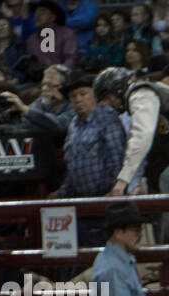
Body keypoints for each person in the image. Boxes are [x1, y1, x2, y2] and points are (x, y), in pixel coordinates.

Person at [94, 64, 169, 198]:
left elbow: (142, 136)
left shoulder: (141, 94)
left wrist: (123, 181)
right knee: (162, 176)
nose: (108, 104)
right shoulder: (146, 89)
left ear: (117, 89)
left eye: (107, 98)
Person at [50, 70, 125, 244]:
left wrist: (114, 190)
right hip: (81, 202)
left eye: (83, 94)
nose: (77, 99)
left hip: (106, 200)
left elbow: (117, 158)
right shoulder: (74, 124)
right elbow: (73, 165)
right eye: (73, 96)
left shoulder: (107, 118)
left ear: (95, 96)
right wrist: (61, 192)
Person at [27, 0, 80, 70]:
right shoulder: (31, 40)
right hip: (38, 78)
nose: (37, 15)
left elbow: (71, 58)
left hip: (62, 76)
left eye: (42, 12)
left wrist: (59, 73)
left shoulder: (66, 33)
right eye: (36, 12)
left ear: (53, 17)